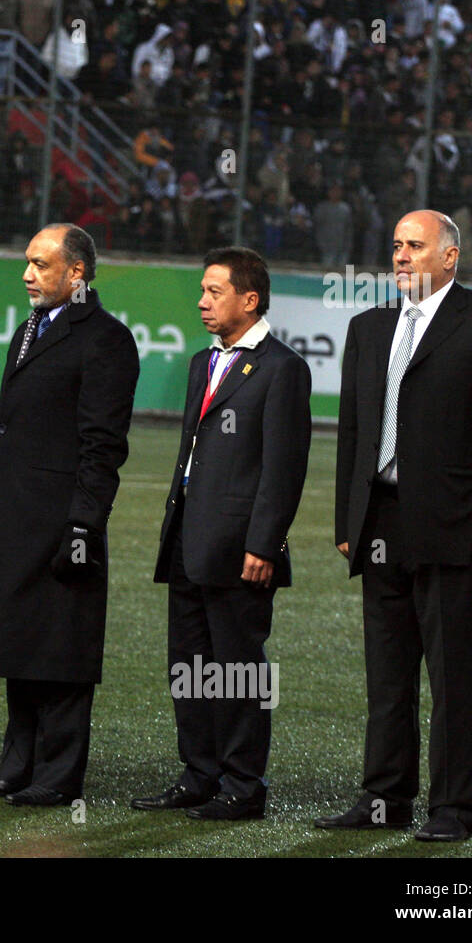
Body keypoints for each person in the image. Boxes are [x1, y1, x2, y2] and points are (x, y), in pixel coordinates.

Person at [317, 210, 472, 841]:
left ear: (450, 256)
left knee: (454, 680)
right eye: (396, 246)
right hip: (380, 521)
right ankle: (384, 799)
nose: (401, 256)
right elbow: (352, 431)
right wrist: (348, 519)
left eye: (415, 246)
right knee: (387, 677)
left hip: (456, 530)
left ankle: (455, 809)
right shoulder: (368, 327)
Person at [0, 224, 139, 806]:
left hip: (64, 521)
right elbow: (8, 437)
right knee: (21, 643)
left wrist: (83, 525)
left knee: (62, 647)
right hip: (14, 516)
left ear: (76, 272)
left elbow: (103, 446)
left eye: (40, 264)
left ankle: (58, 778)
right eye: (27, 262)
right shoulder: (29, 329)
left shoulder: (107, 339)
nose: (27, 274)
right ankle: (17, 770)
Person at [131, 246, 311, 820]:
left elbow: (284, 467)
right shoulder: (201, 362)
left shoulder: (282, 368)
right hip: (188, 538)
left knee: (236, 670)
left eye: (215, 292)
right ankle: (199, 775)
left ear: (250, 299)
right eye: (202, 291)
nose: (202, 302)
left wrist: (264, 543)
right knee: (189, 667)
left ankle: (243, 785)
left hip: (240, 549)